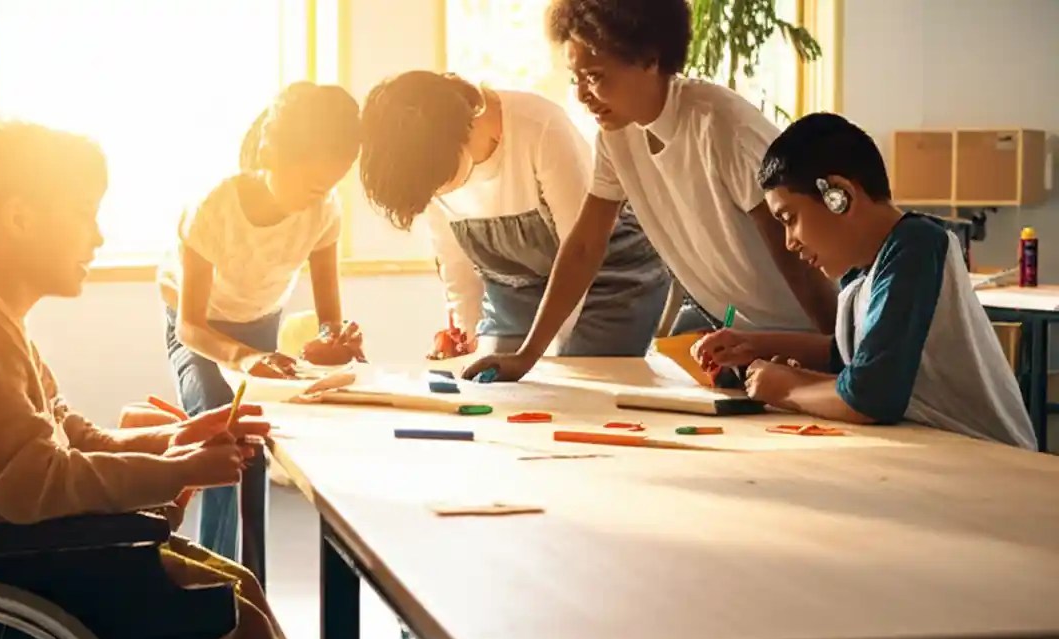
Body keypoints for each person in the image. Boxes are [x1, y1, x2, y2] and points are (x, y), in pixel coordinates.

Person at [0, 121, 319, 639]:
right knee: (234, 608)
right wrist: (176, 472)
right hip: (16, 572)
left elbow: (70, 435)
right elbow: (33, 484)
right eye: (84, 214)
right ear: (19, 218)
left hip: (19, 556)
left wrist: (178, 437)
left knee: (238, 585)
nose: (97, 236)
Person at [463, 0, 839, 383]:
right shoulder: (616, 137)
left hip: (812, 331)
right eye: (576, 78)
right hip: (750, 336)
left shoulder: (722, 127)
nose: (582, 95)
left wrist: (837, 354)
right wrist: (525, 357)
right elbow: (584, 248)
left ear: (650, 58)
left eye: (594, 76)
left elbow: (796, 251)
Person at [692, 113, 1036, 450]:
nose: (789, 242)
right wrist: (752, 345)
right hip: (938, 447)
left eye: (789, 218)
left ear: (839, 197)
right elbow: (847, 354)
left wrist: (786, 389)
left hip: (993, 456)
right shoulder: (860, 271)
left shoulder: (915, 245)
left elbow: (871, 396)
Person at [159, 82, 364, 558]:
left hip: (259, 324)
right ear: (273, 156)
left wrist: (334, 341)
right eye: (312, 184)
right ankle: (217, 576)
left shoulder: (324, 211)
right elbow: (190, 326)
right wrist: (245, 357)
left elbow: (329, 317)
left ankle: (250, 582)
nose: (319, 197)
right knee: (219, 436)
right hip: (199, 329)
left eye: (330, 186)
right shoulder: (214, 209)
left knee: (252, 446)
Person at [359, 70, 669, 359]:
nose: (438, 193)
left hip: (606, 284)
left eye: (439, 182)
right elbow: (458, 268)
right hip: (514, 298)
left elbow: (581, 252)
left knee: (575, 382)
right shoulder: (427, 168)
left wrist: (539, 356)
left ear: (458, 132)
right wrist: (467, 342)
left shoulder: (539, 127)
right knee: (488, 382)